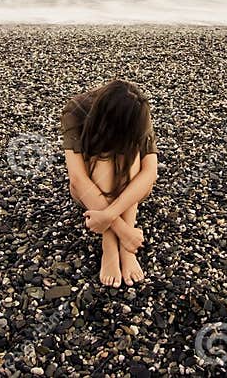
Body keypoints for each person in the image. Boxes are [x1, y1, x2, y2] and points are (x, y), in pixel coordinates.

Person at [61, 79, 158, 287]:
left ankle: (125, 249)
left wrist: (108, 216)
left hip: (129, 191)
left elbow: (150, 171)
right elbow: (77, 178)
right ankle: (111, 245)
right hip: (89, 192)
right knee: (104, 157)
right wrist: (122, 231)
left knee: (131, 155)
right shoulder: (77, 110)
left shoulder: (137, 112)